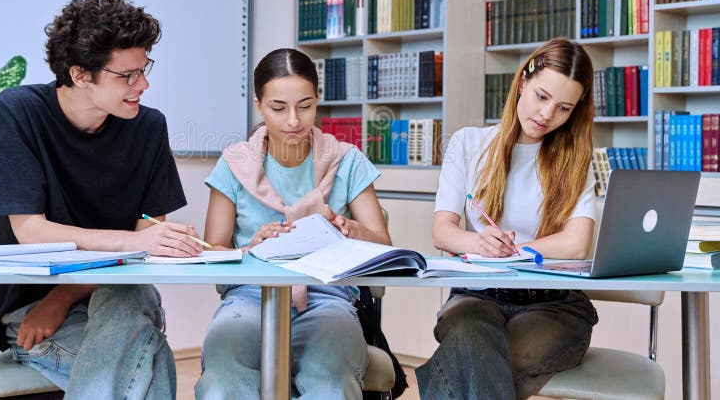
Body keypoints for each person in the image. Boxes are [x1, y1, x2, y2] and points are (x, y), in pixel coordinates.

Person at [0, 0, 204, 400]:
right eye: (128, 76)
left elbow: (146, 245)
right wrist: (135, 241)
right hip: (35, 315)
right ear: (81, 74)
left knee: (128, 294)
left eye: (144, 70)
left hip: (116, 296)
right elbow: (30, 230)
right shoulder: (18, 112)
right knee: (153, 369)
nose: (144, 85)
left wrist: (66, 294)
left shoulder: (148, 127)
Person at [194, 48, 391, 400]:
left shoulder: (347, 161)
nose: (293, 122)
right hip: (248, 297)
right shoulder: (234, 165)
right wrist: (251, 248)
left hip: (328, 297)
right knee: (224, 378)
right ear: (258, 105)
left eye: (305, 106)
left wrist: (346, 229)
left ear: (317, 100)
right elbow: (213, 253)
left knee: (329, 380)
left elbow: (385, 247)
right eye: (278, 108)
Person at [416, 39, 600, 399]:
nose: (547, 115)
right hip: (476, 296)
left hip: (554, 304)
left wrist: (515, 251)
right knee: (472, 343)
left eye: (564, 108)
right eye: (541, 96)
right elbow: (442, 231)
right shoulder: (468, 145)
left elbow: (577, 243)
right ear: (522, 84)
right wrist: (480, 243)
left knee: (471, 359)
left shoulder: (576, 160)